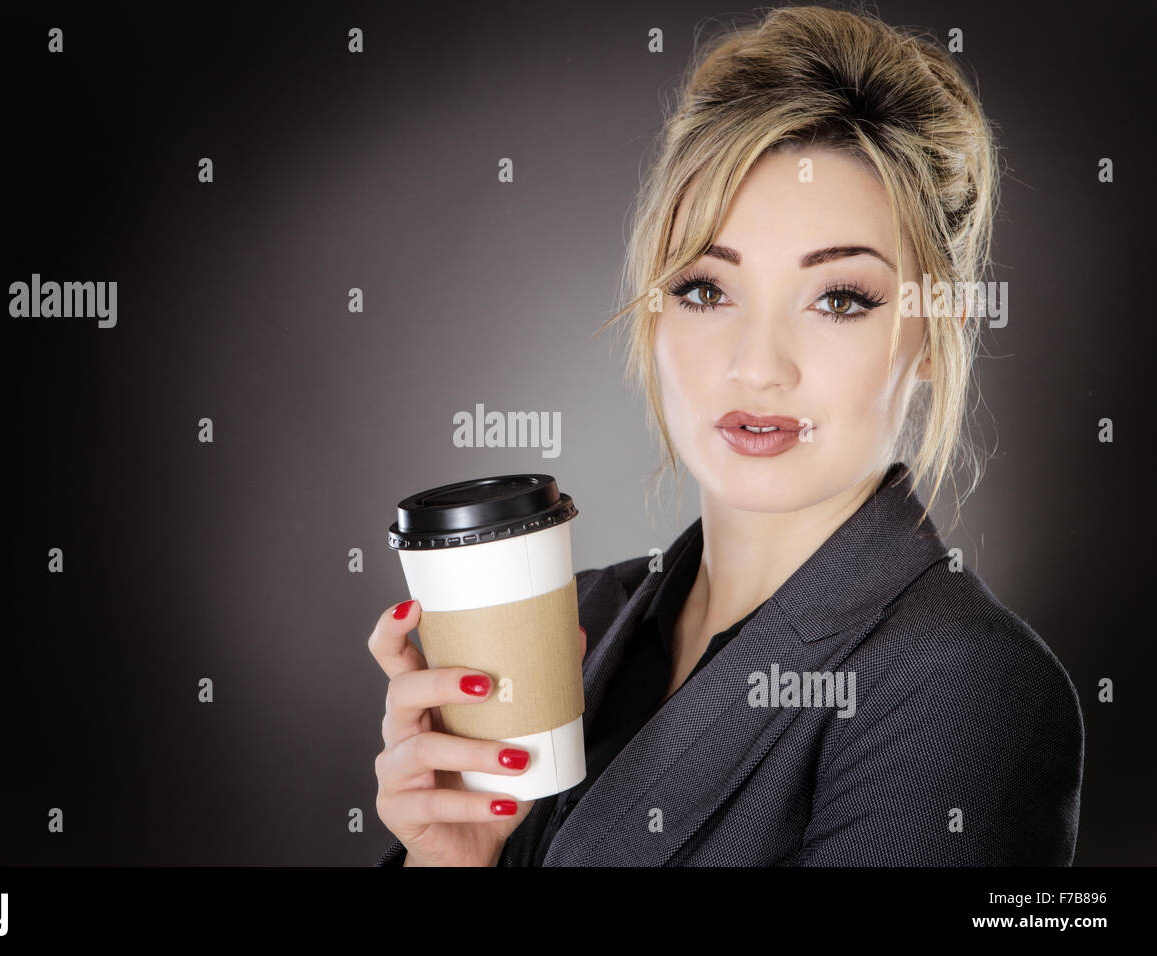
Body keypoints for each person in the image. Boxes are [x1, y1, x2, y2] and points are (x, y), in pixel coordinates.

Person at [369, 5, 1083, 867]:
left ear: (936, 331)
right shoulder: (581, 622)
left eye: (841, 298)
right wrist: (452, 857)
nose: (758, 366)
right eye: (707, 289)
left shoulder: (968, 690)